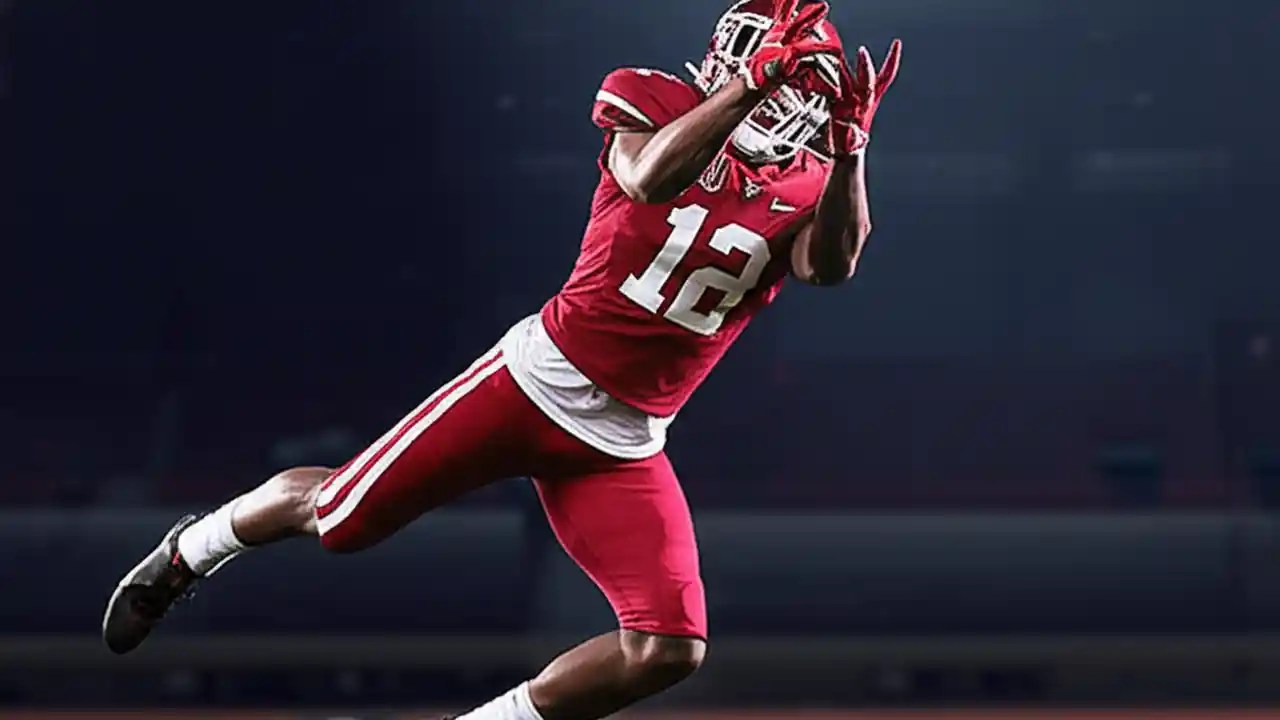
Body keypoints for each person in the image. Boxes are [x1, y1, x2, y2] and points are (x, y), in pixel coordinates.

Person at [102, 1, 902, 718]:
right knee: (339, 520)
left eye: (803, 90)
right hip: (534, 380)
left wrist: (854, 152)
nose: (791, 103)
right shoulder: (652, 98)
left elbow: (826, 269)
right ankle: (193, 550)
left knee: (668, 646)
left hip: (626, 439)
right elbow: (649, 177)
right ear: (732, 60)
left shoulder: (815, 177)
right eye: (780, 79)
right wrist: (744, 95)